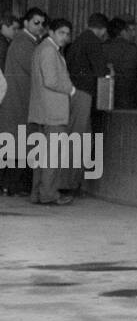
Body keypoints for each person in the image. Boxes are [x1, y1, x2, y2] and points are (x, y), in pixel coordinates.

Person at [28, 18, 84, 205]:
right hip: (53, 112)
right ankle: (49, 194)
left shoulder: (41, 49)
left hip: (43, 111)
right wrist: (70, 89)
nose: (65, 37)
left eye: (68, 34)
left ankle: (38, 193)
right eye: (61, 33)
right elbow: (51, 80)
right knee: (52, 156)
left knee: (41, 157)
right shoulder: (50, 51)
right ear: (51, 32)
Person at [0, 7, 47, 197]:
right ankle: (14, 186)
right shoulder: (25, 43)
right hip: (21, 99)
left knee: (17, 143)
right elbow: (38, 71)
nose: (40, 27)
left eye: (42, 24)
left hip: (19, 99)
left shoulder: (23, 42)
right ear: (26, 23)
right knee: (20, 144)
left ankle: (11, 185)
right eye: (36, 23)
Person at [102, 16, 137, 109]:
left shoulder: (100, 49)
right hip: (130, 100)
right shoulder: (136, 51)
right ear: (123, 32)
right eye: (129, 30)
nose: (133, 34)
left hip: (104, 98)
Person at [65, 13, 109, 98]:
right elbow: (100, 70)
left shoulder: (78, 40)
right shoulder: (94, 42)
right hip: (87, 91)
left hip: (74, 87)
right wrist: (108, 70)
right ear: (104, 30)